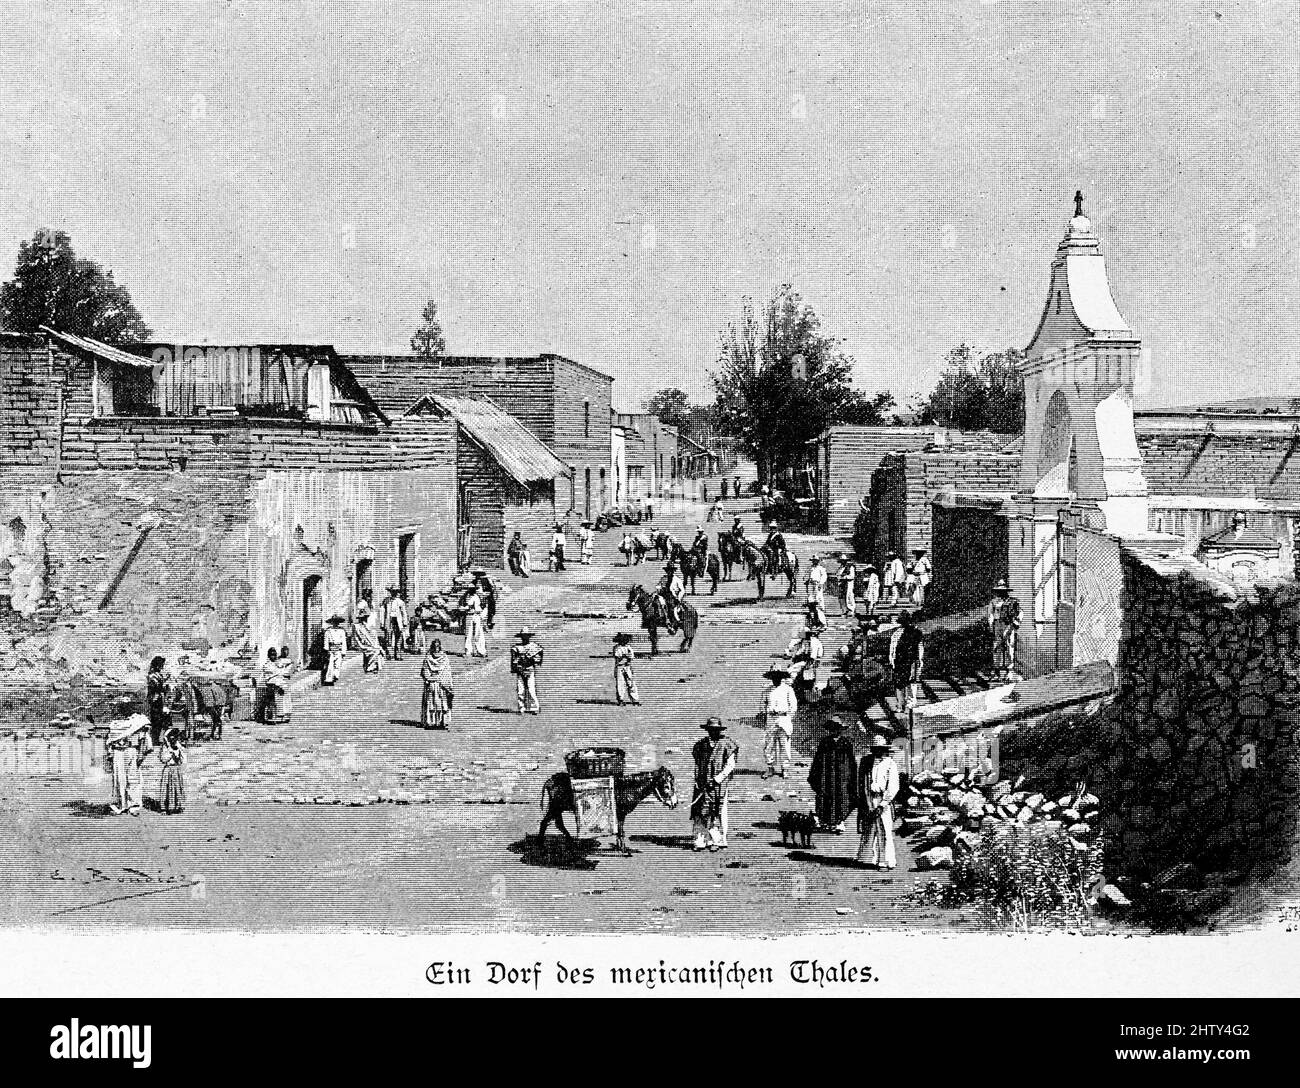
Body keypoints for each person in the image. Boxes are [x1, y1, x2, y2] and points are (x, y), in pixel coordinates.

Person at [691, 717, 739, 851]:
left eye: (715, 730)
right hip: (702, 783)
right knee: (700, 811)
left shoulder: (727, 744)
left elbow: (730, 766)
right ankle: (700, 841)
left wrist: (718, 779)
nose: (713, 732)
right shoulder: (700, 745)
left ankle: (717, 840)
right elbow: (697, 765)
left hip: (719, 784)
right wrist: (697, 780)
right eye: (711, 730)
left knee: (717, 811)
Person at [856, 735, 900, 870]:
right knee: (869, 828)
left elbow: (893, 786)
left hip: (883, 799)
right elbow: (861, 782)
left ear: (885, 750)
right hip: (868, 798)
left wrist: (883, 804)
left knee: (884, 830)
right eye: (875, 749)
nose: (878, 752)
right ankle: (866, 858)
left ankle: (884, 861)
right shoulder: (865, 762)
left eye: (881, 749)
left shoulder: (890, 764)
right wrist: (863, 801)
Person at [809, 716, 858, 833]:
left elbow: (851, 763)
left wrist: (852, 776)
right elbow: (817, 760)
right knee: (825, 796)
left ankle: (839, 822)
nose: (835, 731)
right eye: (832, 729)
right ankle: (825, 821)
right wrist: (815, 775)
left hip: (842, 776)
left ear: (841, 730)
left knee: (842, 797)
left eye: (837, 729)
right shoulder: (824, 742)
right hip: (826, 775)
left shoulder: (846, 743)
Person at [105, 713, 152, 816]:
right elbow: (110, 740)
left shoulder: (139, 721)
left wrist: (141, 754)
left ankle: (134, 805)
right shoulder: (115, 724)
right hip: (118, 751)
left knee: (133, 778)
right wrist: (110, 752)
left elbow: (144, 739)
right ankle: (121, 805)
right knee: (119, 778)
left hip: (132, 750)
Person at [760, 668, 798, 779]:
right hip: (771, 719)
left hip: (784, 719)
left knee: (785, 745)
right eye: (773, 677)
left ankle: (785, 769)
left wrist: (787, 717)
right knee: (769, 745)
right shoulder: (767, 691)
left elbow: (793, 706)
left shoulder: (788, 690)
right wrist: (766, 712)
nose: (775, 679)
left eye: (778, 677)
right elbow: (762, 706)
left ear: (782, 678)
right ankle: (770, 767)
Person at [889, 610, 925, 713]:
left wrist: (919, 659)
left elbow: (920, 647)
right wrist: (892, 660)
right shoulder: (897, 633)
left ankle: (910, 702)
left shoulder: (916, 632)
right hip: (900, 661)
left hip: (911, 661)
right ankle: (900, 704)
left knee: (911, 681)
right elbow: (893, 648)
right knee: (900, 683)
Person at [988, 578, 1022, 682]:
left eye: (1003, 591)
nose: (1001, 593)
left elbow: (1020, 613)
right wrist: (991, 626)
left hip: (1008, 625)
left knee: (1009, 647)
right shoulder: (993, 602)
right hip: (997, 626)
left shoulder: (1012, 602)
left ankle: (1009, 671)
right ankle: (997, 672)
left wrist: (1015, 623)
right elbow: (991, 614)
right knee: (997, 648)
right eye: (999, 591)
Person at [420, 639, 454, 729]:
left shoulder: (444, 658)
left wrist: (440, 680)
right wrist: (432, 679)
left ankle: (442, 721)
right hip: (433, 684)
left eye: (438, 647)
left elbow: (447, 672)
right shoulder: (428, 658)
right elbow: (425, 672)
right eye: (435, 647)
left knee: (441, 703)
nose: (436, 649)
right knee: (432, 703)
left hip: (440, 684)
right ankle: (431, 721)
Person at [786, 621, 824, 697]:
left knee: (792, 672)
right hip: (806, 661)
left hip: (811, 662)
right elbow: (795, 646)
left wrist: (805, 668)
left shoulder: (814, 642)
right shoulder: (805, 641)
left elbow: (812, 658)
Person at [511, 630, 544, 714]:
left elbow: (539, 659)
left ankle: (534, 708)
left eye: (526, 636)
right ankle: (521, 708)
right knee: (520, 690)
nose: (524, 638)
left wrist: (533, 659)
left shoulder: (534, 646)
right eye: (523, 636)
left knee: (531, 689)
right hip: (520, 670)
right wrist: (516, 666)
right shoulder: (517, 647)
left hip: (529, 669)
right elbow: (513, 660)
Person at [158, 726, 187, 815]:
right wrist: (170, 753)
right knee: (166, 788)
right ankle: (165, 807)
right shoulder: (165, 747)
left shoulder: (179, 746)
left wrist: (178, 752)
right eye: (171, 737)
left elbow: (183, 760)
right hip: (168, 769)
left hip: (176, 769)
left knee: (177, 787)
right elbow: (163, 759)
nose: (173, 739)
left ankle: (177, 806)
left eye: (174, 737)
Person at [145, 656, 172, 745]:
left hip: (160, 699)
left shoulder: (158, 675)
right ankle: (155, 740)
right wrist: (164, 685)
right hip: (155, 700)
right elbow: (156, 687)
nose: (162, 667)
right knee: (156, 720)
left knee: (161, 720)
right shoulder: (152, 676)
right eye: (161, 665)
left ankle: (158, 739)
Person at [262, 648, 291, 723]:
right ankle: (279, 715)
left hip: (280, 682)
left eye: (275, 655)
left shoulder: (277, 664)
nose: (273, 657)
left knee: (286, 690)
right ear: (269, 656)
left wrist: (285, 674)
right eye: (272, 655)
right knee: (279, 692)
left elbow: (283, 672)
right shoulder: (267, 665)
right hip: (272, 683)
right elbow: (269, 677)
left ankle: (286, 714)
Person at [352, 605, 383, 673]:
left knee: (376, 649)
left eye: (365, 617)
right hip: (363, 645)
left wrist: (377, 645)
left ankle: (372, 666)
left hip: (371, 644)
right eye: (363, 617)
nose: (364, 619)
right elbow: (356, 638)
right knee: (374, 651)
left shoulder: (370, 626)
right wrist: (361, 645)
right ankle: (370, 666)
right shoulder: (357, 626)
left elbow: (374, 637)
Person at [381, 586, 409, 661]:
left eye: (395, 592)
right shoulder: (386, 601)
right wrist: (382, 623)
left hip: (397, 621)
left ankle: (398, 654)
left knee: (398, 637)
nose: (393, 593)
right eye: (392, 592)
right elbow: (382, 611)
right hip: (389, 620)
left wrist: (405, 622)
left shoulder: (400, 602)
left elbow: (404, 613)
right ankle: (389, 654)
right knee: (388, 637)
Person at [612, 631, 640, 706]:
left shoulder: (628, 647)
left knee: (631, 683)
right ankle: (620, 699)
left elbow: (631, 657)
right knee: (620, 683)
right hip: (620, 667)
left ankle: (635, 699)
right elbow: (618, 657)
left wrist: (628, 658)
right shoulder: (617, 648)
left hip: (627, 666)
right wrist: (626, 656)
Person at [462, 585, 488, 658]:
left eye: (473, 589)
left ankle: (481, 651)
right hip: (470, 615)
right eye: (471, 589)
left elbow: (482, 605)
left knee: (478, 633)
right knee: (468, 634)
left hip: (477, 615)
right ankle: (468, 651)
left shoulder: (477, 596)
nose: (472, 590)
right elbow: (467, 606)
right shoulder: (467, 596)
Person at [322, 615, 347, 685]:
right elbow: (326, 641)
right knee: (330, 664)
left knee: (338, 664)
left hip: (339, 649)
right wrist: (326, 649)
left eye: (337, 622)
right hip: (331, 649)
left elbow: (343, 641)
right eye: (334, 622)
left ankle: (335, 675)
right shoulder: (328, 631)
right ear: (331, 622)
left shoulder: (342, 631)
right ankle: (329, 679)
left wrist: (343, 651)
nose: (335, 623)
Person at [805, 554, 827, 624]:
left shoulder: (821, 568)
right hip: (811, 585)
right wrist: (807, 580)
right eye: (813, 561)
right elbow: (806, 576)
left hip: (817, 585)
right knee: (811, 602)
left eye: (816, 561)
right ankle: (813, 620)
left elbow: (824, 577)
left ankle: (822, 622)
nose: (814, 562)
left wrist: (821, 583)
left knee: (818, 601)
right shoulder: (810, 568)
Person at [836, 553, 858, 618]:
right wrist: (839, 577)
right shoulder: (840, 568)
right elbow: (837, 575)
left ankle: (851, 610)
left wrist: (844, 577)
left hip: (848, 584)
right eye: (841, 561)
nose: (843, 562)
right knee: (841, 597)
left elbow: (852, 576)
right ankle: (844, 611)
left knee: (849, 597)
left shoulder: (850, 567)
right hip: (841, 584)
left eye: (844, 560)